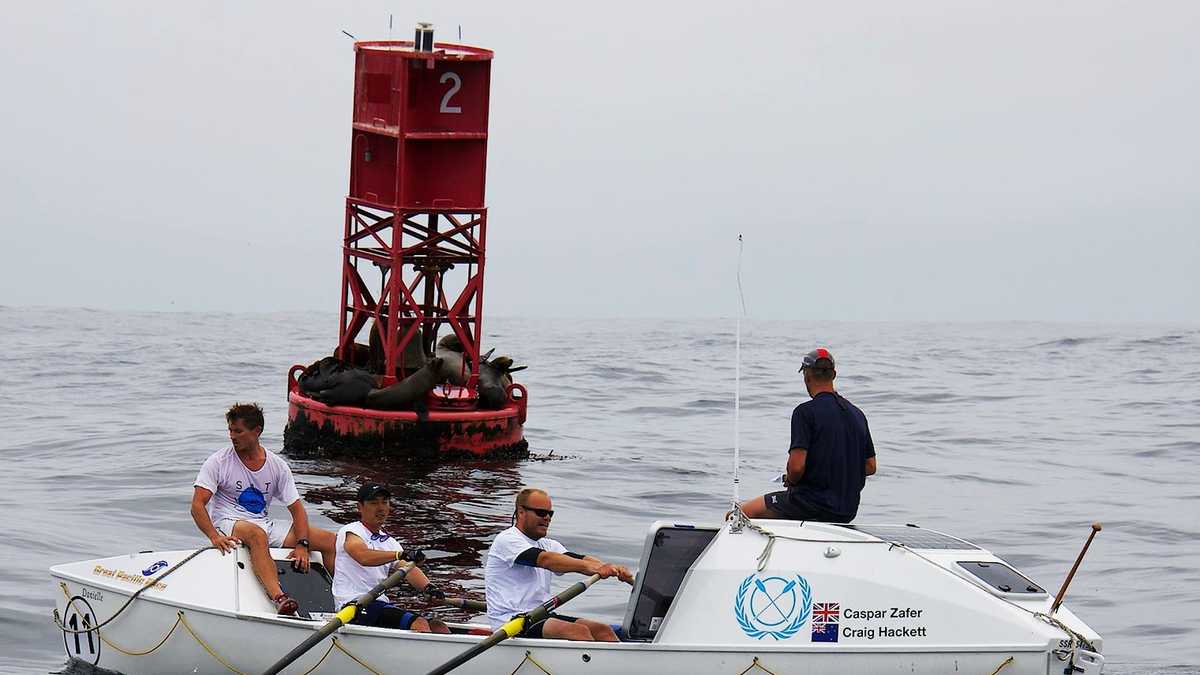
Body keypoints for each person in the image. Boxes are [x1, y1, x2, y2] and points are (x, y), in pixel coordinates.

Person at [190, 402, 337, 615]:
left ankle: (341, 599)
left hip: (263, 522)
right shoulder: (219, 462)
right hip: (228, 522)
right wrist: (214, 536)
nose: (232, 436)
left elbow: (297, 509)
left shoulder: (277, 466)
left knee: (330, 541)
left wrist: (303, 545)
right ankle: (279, 597)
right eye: (230, 430)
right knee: (257, 535)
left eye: (238, 431)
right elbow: (197, 505)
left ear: (256, 431)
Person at [735, 348, 877, 522]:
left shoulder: (805, 413)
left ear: (807, 376)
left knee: (739, 515)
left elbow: (796, 468)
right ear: (834, 375)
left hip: (809, 505)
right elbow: (870, 466)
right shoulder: (857, 414)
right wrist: (835, 471)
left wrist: (792, 479)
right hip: (846, 510)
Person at [484, 488, 634, 641]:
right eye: (541, 513)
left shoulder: (548, 544)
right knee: (578, 632)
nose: (547, 518)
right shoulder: (507, 540)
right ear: (521, 512)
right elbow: (546, 560)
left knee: (602, 630)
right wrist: (597, 568)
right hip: (510, 621)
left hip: (540, 615)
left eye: (550, 513)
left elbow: (580, 560)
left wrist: (612, 568)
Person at [331, 483, 449, 633]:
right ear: (359, 507)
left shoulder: (389, 542)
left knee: (439, 626)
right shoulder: (351, 531)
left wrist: (429, 587)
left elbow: (408, 569)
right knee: (419, 624)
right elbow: (363, 557)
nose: (380, 508)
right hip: (354, 606)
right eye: (374, 503)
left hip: (377, 604)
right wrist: (398, 554)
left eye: (384, 502)